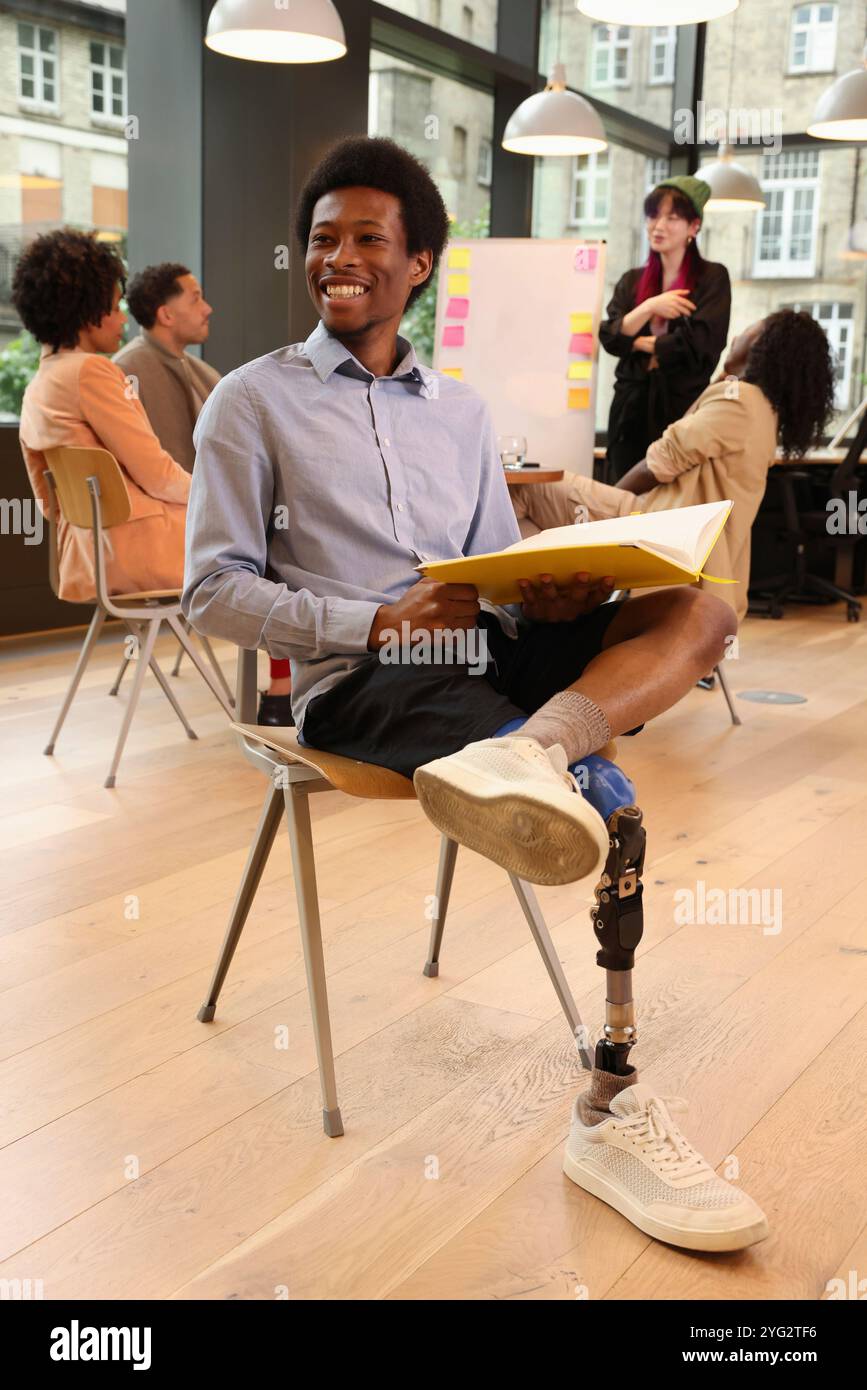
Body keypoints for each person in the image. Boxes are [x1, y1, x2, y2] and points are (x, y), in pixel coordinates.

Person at [183, 135, 767, 1252]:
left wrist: (542, 602)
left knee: (705, 609)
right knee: (617, 807)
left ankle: (530, 749)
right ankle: (612, 1102)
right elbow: (209, 588)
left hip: (480, 662)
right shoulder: (251, 403)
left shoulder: (457, 412)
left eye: (368, 239)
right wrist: (374, 623)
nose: (338, 258)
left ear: (419, 267)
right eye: (323, 239)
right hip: (363, 682)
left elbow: (491, 576)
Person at [512, 310, 837, 622]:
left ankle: (520, 615)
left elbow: (658, 463)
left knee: (522, 489)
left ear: (760, 347)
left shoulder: (739, 400)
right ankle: (559, 611)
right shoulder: (763, 410)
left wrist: (602, 525)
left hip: (659, 529)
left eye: (747, 332)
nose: (735, 337)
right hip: (697, 548)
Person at [113, 262, 291, 725]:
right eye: (195, 297)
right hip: (178, 526)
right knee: (286, 542)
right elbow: (155, 472)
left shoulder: (194, 368)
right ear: (165, 314)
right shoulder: (129, 371)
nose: (208, 307)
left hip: (201, 511)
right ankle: (284, 690)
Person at [14, 229, 190, 604]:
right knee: (264, 527)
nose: (122, 322)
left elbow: (48, 504)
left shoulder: (38, 386)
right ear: (88, 312)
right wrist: (219, 496)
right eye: (114, 308)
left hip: (83, 557)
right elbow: (158, 476)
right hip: (144, 552)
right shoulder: (92, 372)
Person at [600, 176, 731, 481]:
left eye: (672, 218)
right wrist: (649, 307)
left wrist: (638, 343)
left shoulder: (712, 278)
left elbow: (701, 345)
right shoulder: (632, 281)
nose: (658, 226)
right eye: (653, 216)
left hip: (682, 414)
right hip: (629, 415)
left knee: (675, 510)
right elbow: (609, 337)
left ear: (694, 226)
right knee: (622, 504)